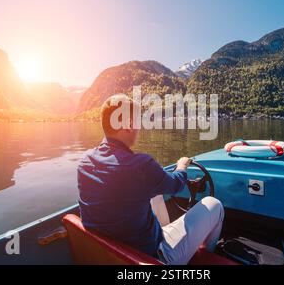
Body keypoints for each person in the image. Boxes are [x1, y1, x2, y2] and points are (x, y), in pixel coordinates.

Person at [77, 94, 224, 265]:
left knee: (156, 195)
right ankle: (199, 260)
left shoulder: (84, 162)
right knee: (214, 205)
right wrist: (182, 166)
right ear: (129, 125)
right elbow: (176, 184)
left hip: (108, 254)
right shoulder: (141, 165)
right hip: (151, 257)